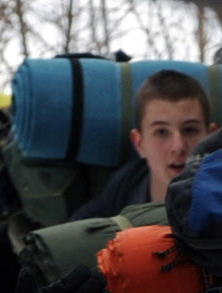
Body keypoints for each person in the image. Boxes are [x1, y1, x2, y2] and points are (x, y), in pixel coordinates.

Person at [83, 69, 212, 215]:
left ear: (212, 137)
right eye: (162, 132)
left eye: (189, 130)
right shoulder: (121, 192)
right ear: (139, 144)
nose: (178, 146)